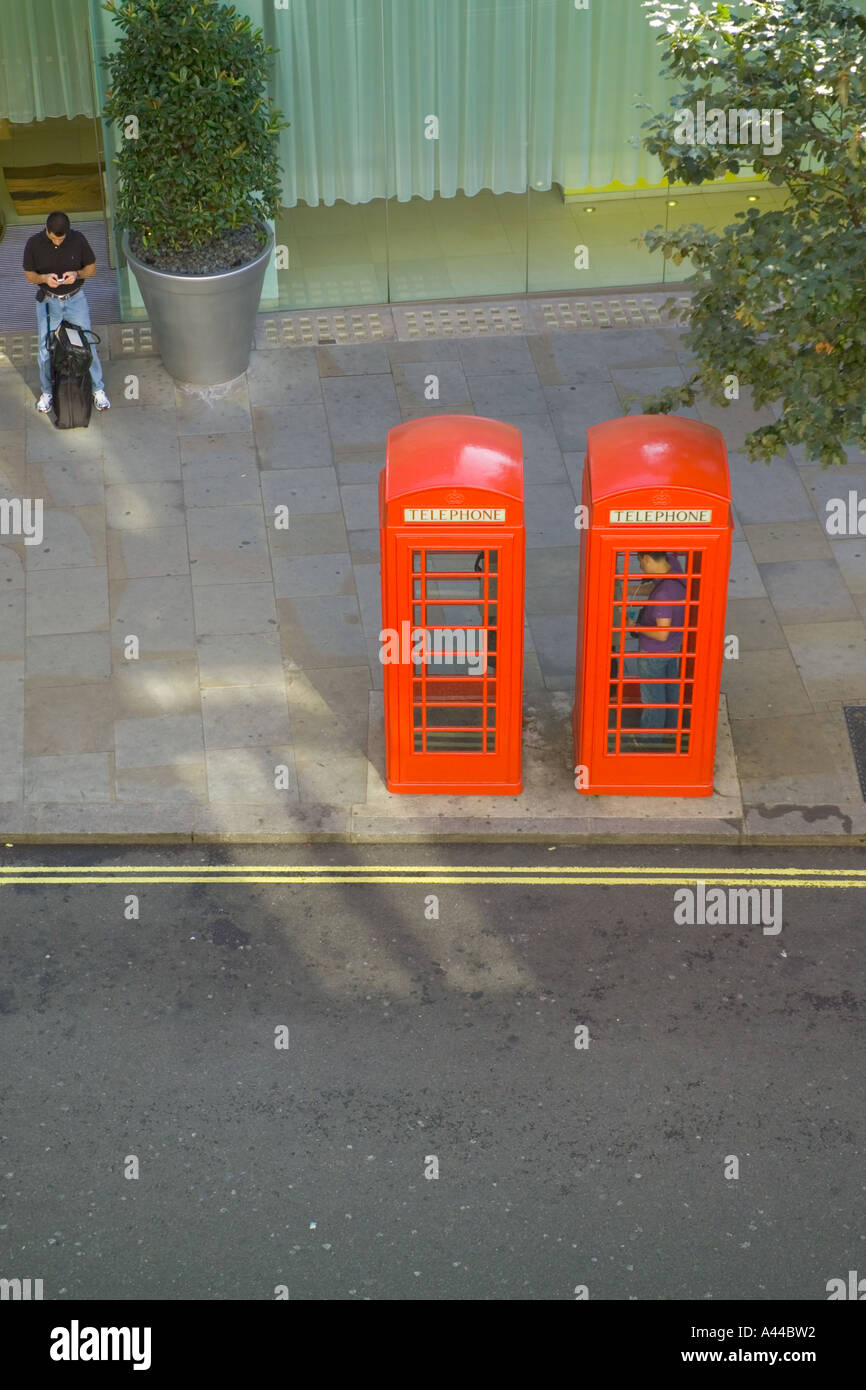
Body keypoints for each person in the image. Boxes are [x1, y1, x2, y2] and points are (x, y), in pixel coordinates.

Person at [22, 210, 110, 414]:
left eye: (62, 238)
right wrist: (44, 279)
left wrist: (76, 274)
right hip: (48, 301)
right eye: (55, 238)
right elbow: (29, 275)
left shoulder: (77, 239)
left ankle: (98, 389)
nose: (59, 242)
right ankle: (47, 392)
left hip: (75, 298)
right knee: (45, 348)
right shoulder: (34, 243)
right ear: (47, 230)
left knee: (87, 344)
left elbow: (92, 269)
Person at [624, 551, 686, 748]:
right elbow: (652, 586)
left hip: (654, 653)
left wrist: (634, 627)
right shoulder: (673, 569)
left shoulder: (663, 596)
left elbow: (661, 633)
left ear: (648, 559)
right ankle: (671, 732)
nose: (641, 567)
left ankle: (649, 741)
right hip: (674, 648)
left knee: (653, 698)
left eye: (640, 561)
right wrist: (625, 587)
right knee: (670, 692)